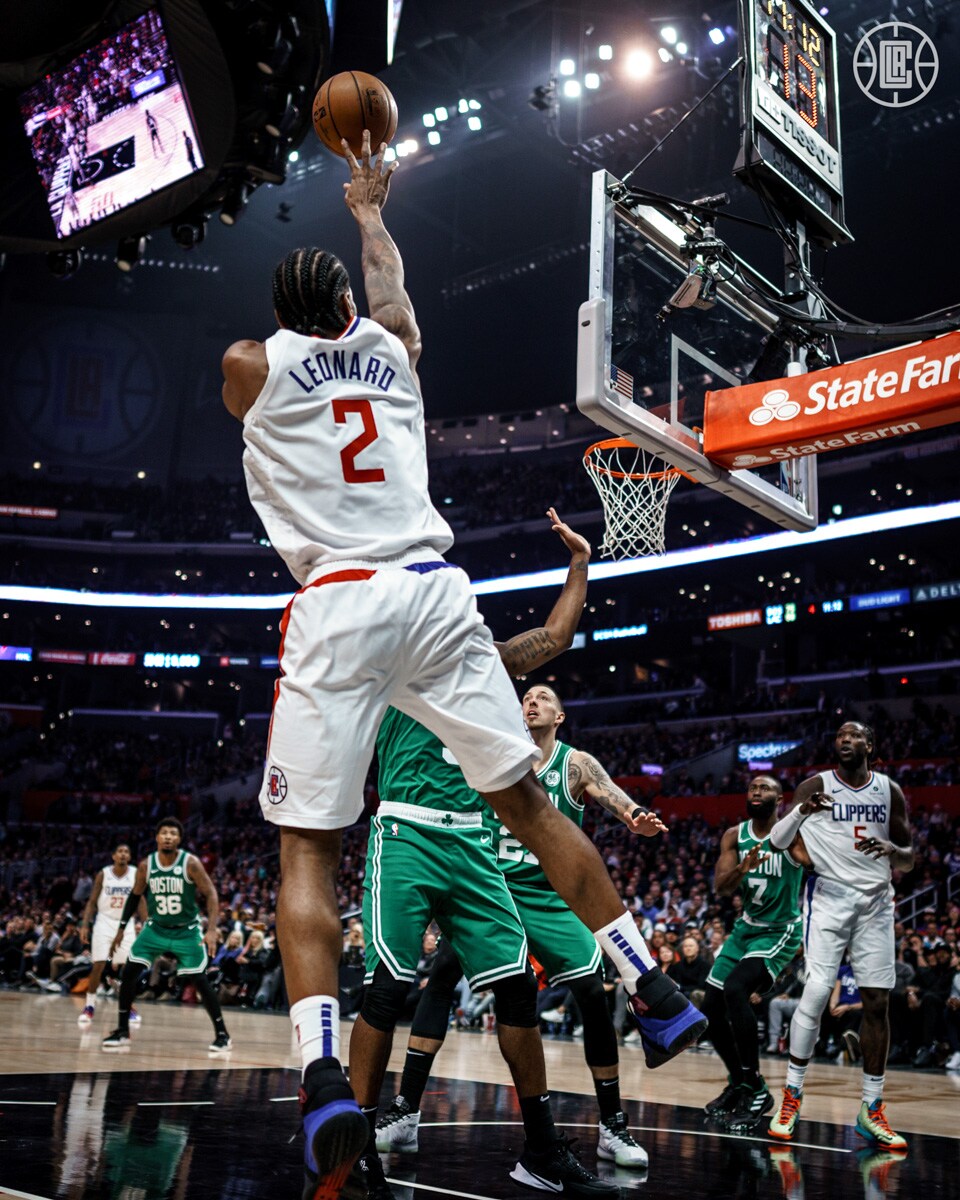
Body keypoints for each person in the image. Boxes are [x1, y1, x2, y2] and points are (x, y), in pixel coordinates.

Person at [221, 131, 705, 1200]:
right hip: (439, 592)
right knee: (532, 803)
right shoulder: (393, 350)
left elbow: (247, 380)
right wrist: (370, 215)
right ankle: (654, 986)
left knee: (305, 851)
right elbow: (391, 298)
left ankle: (320, 1075)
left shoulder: (252, 365)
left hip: (340, 600)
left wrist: (302, 314)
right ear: (350, 307)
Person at [352, 517, 625, 1197]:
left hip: (474, 839)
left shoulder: (489, 660)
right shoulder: (388, 651)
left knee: (516, 987)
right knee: (390, 987)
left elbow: (556, 638)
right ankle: (355, 1139)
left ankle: (540, 1148)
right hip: (409, 831)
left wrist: (581, 563)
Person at [375, 680, 666, 1180]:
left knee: (593, 993)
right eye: (526, 696)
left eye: (544, 698)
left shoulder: (573, 763)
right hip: (496, 886)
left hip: (552, 896)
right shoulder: (492, 743)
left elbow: (609, 793)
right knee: (442, 974)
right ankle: (406, 1111)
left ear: (559, 718)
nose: (531, 701)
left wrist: (633, 815)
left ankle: (614, 1125)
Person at [766, 722, 914, 1151]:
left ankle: (872, 1107)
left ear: (870, 744)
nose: (845, 741)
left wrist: (893, 852)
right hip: (829, 900)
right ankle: (791, 1096)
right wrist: (808, 857)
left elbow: (910, 856)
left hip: (875, 904)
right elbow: (785, 839)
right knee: (814, 993)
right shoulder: (816, 784)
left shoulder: (890, 790)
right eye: (839, 736)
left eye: (854, 736)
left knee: (877, 1002)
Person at [702, 775, 806, 1132]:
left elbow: (814, 863)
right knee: (709, 1009)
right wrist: (743, 868)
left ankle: (758, 1088)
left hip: (780, 931)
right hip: (746, 928)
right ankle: (742, 1083)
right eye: (752, 788)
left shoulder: (792, 836)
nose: (756, 792)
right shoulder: (735, 836)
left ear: (780, 799)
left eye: (765, 789)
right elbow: (720, 887)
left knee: (735, 990)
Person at [100, 817, 232, 1054]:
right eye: (164, 833)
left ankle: (223, 1035)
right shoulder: (146, 865)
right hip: (156, 928)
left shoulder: (190, 863)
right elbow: (134, 895)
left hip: (187, 930)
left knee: (200, 979)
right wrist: (121, 928)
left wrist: (212, 929)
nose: (169, 836)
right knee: (129, 972)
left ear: (179, 839)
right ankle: (122, 1030)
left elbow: (211, 893)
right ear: (157, 837)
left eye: (173, 833)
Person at [77, 843, 144, 1026]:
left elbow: (141, 900)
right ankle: (89, 1006)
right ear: (113, 856)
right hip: (104, 921)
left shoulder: (135, 873)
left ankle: (129, 1006)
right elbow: (91, 901)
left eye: (126, 852)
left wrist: (148, 923)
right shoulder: (104, 873)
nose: (123, 854)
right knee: (98, 964)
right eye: (120, 851)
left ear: (129, 857)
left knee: (129, 967)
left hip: (126, 923)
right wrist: (84, 925)